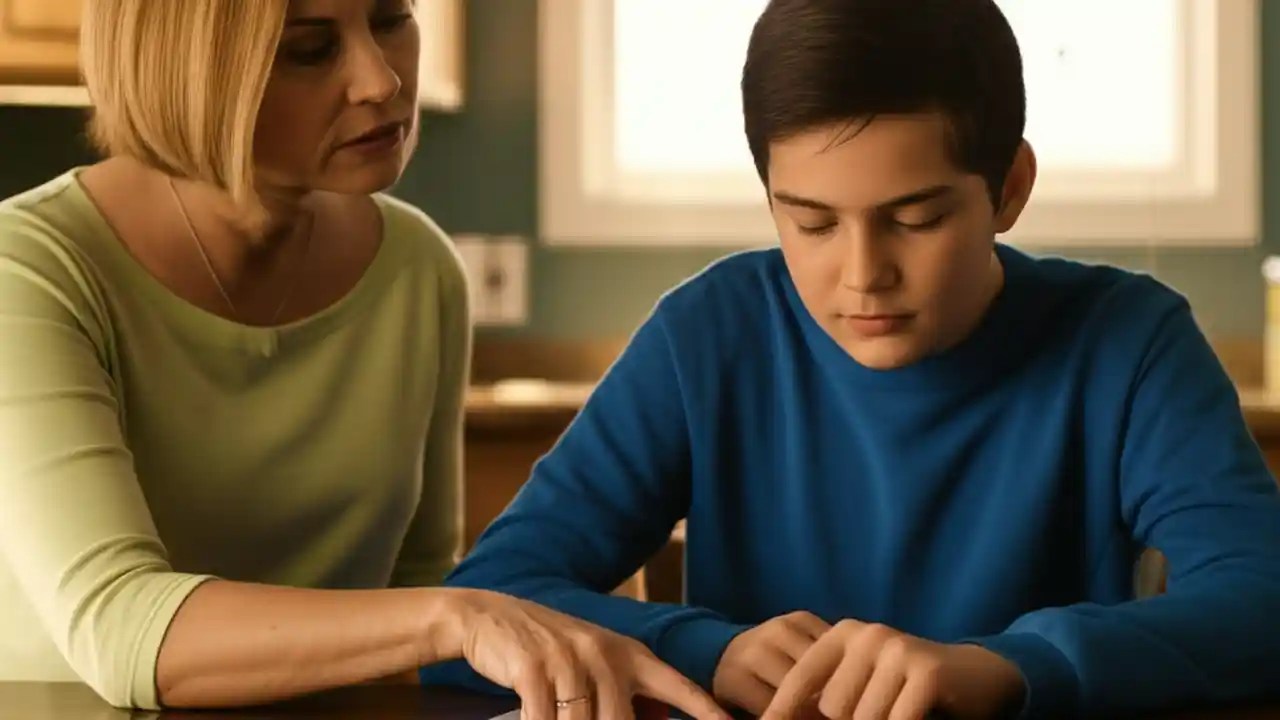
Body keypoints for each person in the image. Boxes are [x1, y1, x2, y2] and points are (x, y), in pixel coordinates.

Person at [423, 0, 1280, 717]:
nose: (863, 275)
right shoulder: (707, 334)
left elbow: (1262, 596)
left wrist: (1010, 667)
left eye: (916, 219)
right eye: (813, 223)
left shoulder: (1128, 340)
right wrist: (701, 650)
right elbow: (488, 601)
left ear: (1010, 189)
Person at [0, 2, 731, 719]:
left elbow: (417, 593)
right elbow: (119, 628)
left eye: (390, 18)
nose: (381, 79)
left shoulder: (416, 268)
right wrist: (459, 618)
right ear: (187, 72)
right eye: (312, 49)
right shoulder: (30, 271)